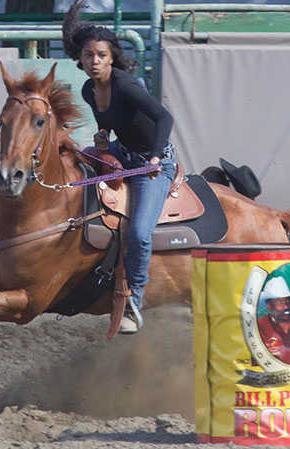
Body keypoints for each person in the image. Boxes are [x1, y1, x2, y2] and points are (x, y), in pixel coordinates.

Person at [63, 0, 177, 335]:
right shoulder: (88, 89)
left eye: (101, 55)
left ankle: (132, 303)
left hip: (153, 163)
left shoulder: (125, 85)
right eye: (88, 55)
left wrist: (155, 158)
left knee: (140, 233)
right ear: (80, 59)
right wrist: (102, 140)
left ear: (112, 57)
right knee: (72, 161)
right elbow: (109, 124)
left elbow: (164, 118)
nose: (94, 61)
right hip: (122, 152)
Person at [257, 276, 290, 365]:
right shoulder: (260, 326)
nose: (286, 306)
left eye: (287, 300)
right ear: (269, 306)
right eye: (279, 302)